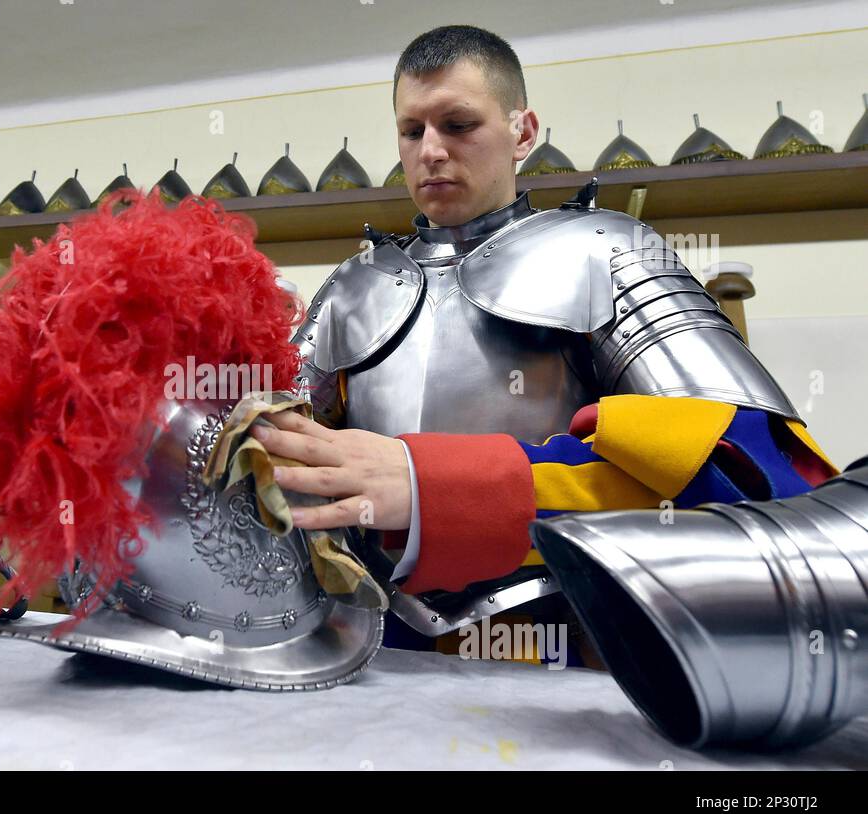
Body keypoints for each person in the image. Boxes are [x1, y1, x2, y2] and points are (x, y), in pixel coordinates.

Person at [256, 25, 837, 653]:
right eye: (412, 130)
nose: (430, 151)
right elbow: (266, 459)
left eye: (458, 124)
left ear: (522, 133)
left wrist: (443, 488)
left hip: (570, 632)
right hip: (373, 638)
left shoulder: (603, 251)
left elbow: (751, 464)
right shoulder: (352, 287)